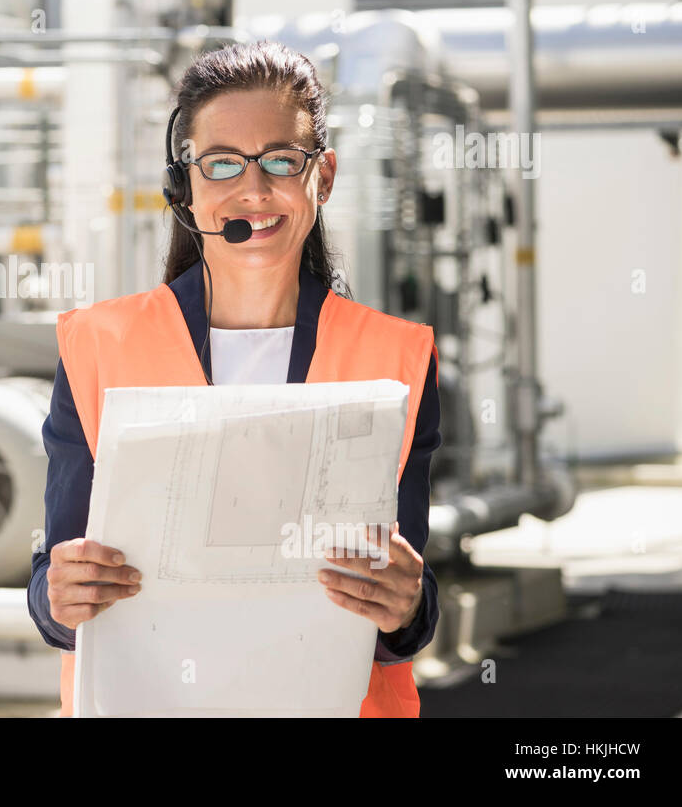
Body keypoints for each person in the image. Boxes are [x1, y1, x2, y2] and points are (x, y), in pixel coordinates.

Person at [27, 40, 442, 717]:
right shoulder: (97, 348)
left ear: (324, 177)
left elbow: (403, 612)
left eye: (282, 160)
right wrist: (59, 596)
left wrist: (407, 605)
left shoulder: (396, 356)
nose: (253, 190)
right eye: (221, 164)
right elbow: (54, 591)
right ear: (184, 187)